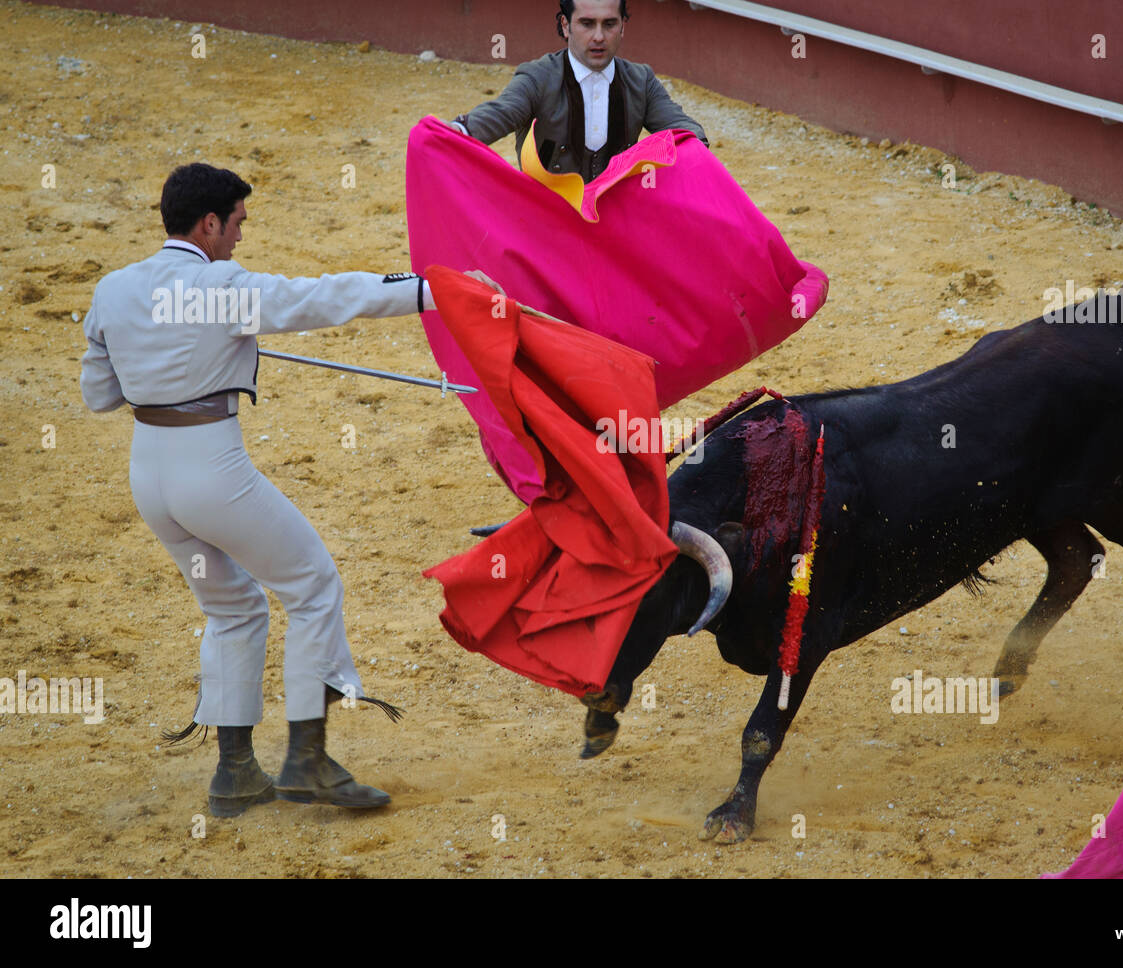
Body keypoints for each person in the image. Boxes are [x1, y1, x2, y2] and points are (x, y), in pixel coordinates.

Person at [80, 162, 499, 817]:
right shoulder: (222, 284)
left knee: (233, 609)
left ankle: (236, 774)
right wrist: (435, 289)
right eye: (238, 224)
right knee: (311, 585)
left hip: (151, 477)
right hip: (211, 472)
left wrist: (176, 358)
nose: (242, 238)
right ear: (209, 223)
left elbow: (99, 395)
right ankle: (306, 759)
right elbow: (330, 298)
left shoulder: (113, 289)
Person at [450, 0, 708, 182]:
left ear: (623, 27)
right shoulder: (538, 77)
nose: (598, 36)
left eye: (609, 24)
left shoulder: (640, 81)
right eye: (587, 23)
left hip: (615, 224)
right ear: (566, 25)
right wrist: (456, 132)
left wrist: (693, 151)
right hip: (546, 223)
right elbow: (501, 113)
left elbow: (686, 133)